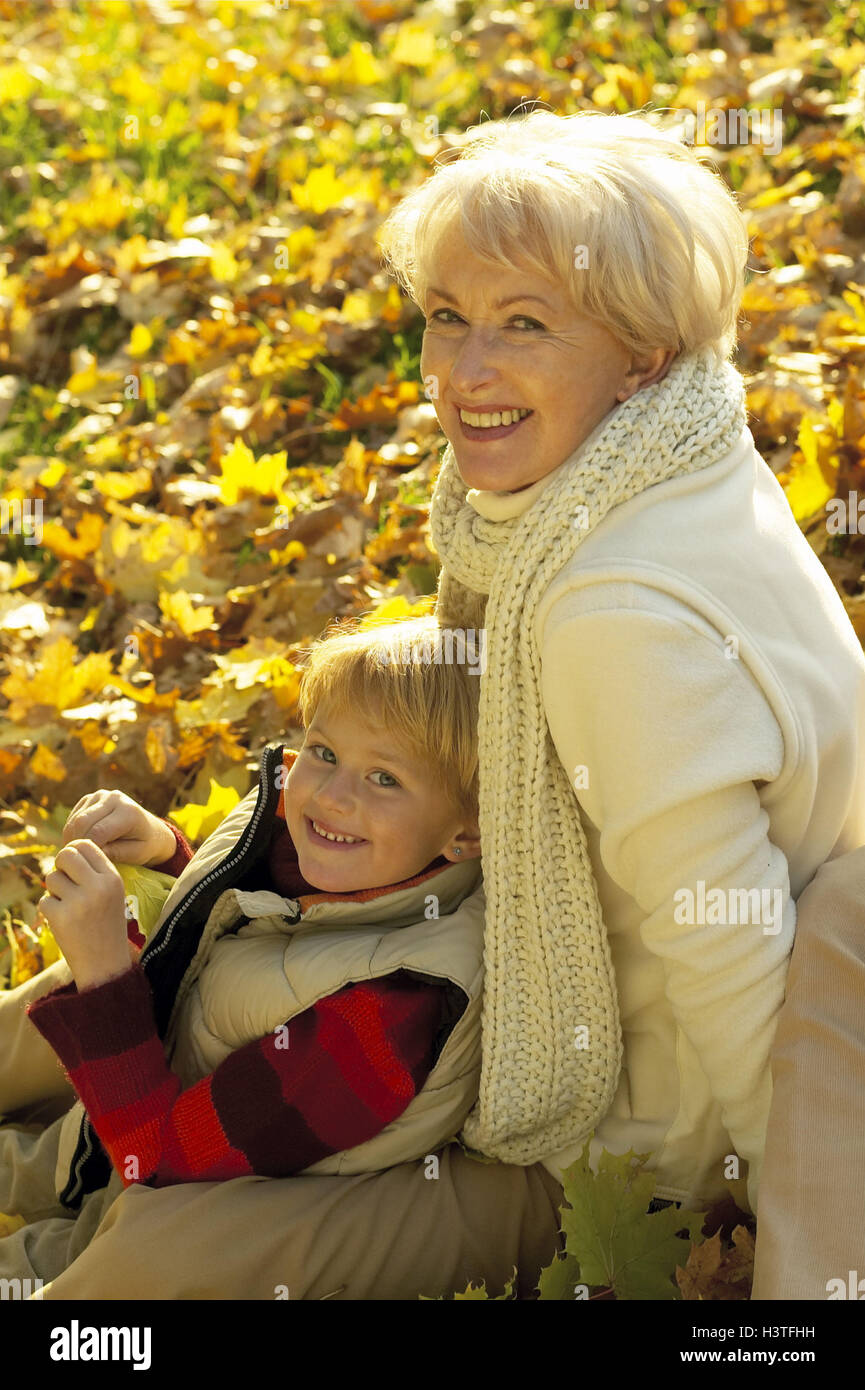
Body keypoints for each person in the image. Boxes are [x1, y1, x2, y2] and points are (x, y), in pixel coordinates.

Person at [11, 105, 863, 1302]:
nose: (463, 375)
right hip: (480, 947)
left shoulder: (611, 611)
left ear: (641, 352)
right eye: (448, 317)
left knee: (158, 1260)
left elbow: (725, 950)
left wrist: (786, 1227)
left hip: (585, 1112)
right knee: (159, 958)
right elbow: (438, 758)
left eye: (525, 325)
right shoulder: (676, 453)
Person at [0, 615, 510, 1291]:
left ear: (467, 832)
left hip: (156, 1201)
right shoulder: (340, 854)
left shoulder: (391, 1012)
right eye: (325, 751)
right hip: (98, 1133)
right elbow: (252, 933)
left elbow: (157, 1165)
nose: (331, 795)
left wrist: (103, 982)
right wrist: (162, 853)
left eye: (384, 779)